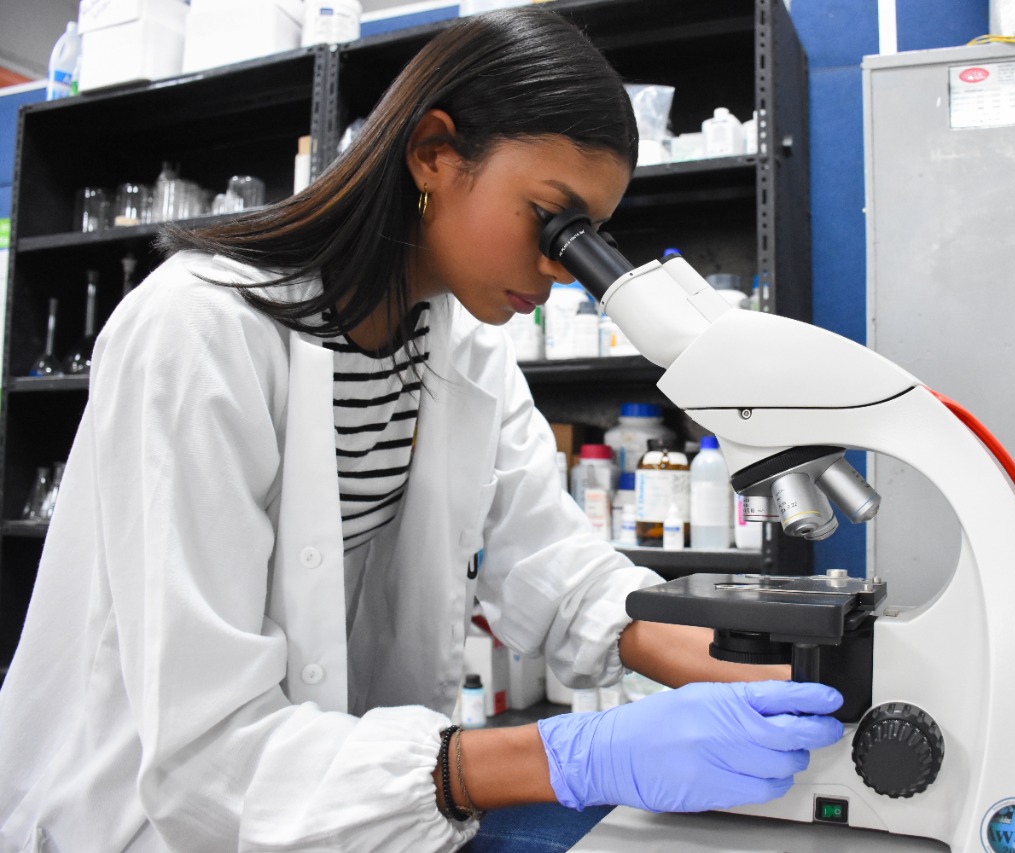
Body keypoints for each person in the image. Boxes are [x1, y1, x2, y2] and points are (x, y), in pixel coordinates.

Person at [0, 8, 843, 852]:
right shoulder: (198, 331)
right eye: (552, 219)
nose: (562, 265)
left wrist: (781, 685)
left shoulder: (465, 346)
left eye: (588, 238)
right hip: (144, 818)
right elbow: (207, 754)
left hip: (341, 806)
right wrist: (573, 752)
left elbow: (563, 576)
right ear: (434, 152)